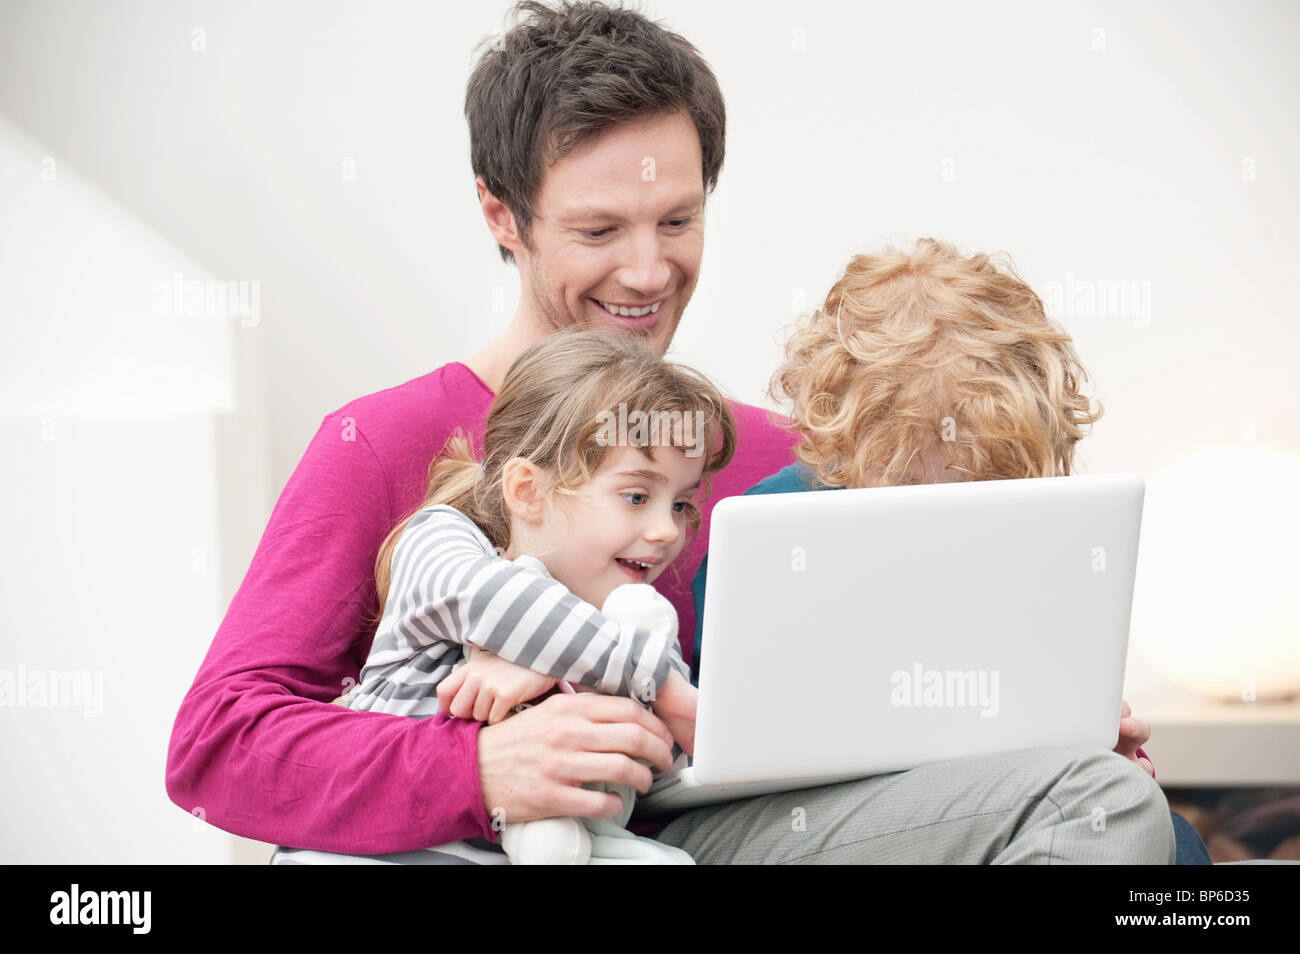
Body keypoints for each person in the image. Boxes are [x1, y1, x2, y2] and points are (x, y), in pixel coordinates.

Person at [166, 0, 1174, 863]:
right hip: (521, 838)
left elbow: (881, 700)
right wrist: (478, 767)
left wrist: (1038, 727)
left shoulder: (778, 453)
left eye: (678, 223)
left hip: (718, 830)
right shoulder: (385, 440)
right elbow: (217, 745)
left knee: (1109, 807)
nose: (648, 274)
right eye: (598, 231)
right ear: (499, 214)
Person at [683, 238, 1211, 864]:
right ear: (842, 446)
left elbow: (1023, 676)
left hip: (973, 793)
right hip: (796, 809)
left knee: (1176, 843)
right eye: (909, 486)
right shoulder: (772, 530)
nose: (945, 514)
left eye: (983, 490)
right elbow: (739, 733)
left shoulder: (1046, 526)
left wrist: (1082, 736)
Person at [342, 328, 735, 863]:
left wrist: (561, 675)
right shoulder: (442, 540)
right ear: (527, 491)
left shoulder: (633, 616)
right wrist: (658, 687)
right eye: (637, 496)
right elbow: (500, 604)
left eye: (682, 505)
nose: (668, 530)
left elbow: (660, 762)